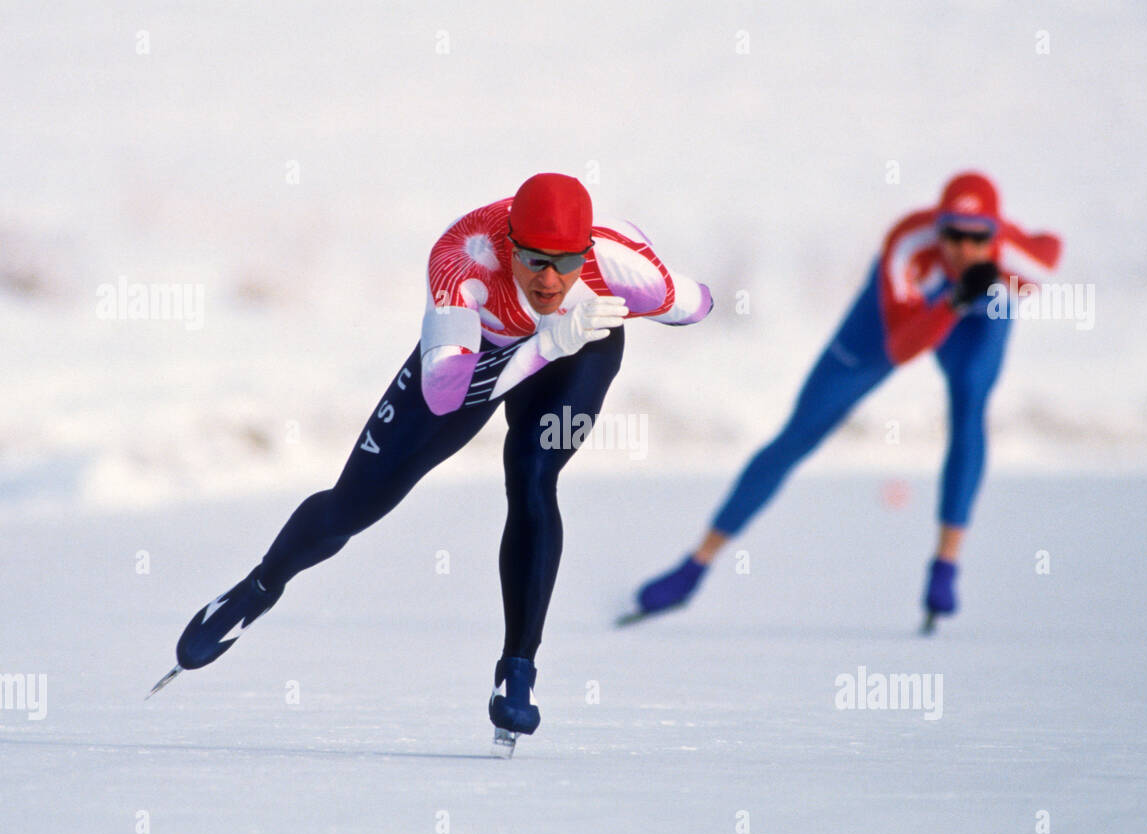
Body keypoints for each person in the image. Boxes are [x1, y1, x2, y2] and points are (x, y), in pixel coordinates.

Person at [152, 173, 712, 750]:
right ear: (509, 246)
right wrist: (546, 342)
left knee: (533, 475)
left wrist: (655, 298)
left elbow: (697, 303)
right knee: (356, 504)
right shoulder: (462, 259)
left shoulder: (620, 266)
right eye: (534, 260)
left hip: (582, 348)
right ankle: (258, 587)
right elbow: (447, 393)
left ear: (587, 254)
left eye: (565, 262)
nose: (549, 279)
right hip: (481, 354)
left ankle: (517, 672)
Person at [629, 172, 1060, 630]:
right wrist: (953, 301)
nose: (963, 249)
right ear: (938, 228)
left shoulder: (1014, 257)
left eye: (978, 238)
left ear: (995, 234)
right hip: (894, 324)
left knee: (970, 403)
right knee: (800, 434)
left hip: (975, 320)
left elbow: (1050, 252)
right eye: (952, 233)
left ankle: (946, 565)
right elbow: (901, 348)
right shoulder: (908, 246)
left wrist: (996, 290)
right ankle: (696, 565)